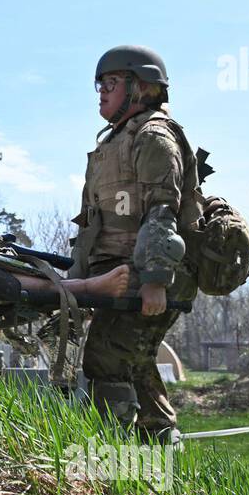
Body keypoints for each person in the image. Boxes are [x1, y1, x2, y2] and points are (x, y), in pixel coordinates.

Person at [71, 45, 200, 444]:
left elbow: (162, 212)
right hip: (119, 273)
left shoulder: (153, 136)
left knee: (106, 357)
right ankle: (159, 448)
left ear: (141, 87)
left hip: (151, 274)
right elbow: (92, 222)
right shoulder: (111, 143)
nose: (101, 92)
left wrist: (156, 280)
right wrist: (81, 284)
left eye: (111, 83)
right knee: (136, 361)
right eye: (100, 84)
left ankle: (112, 456)